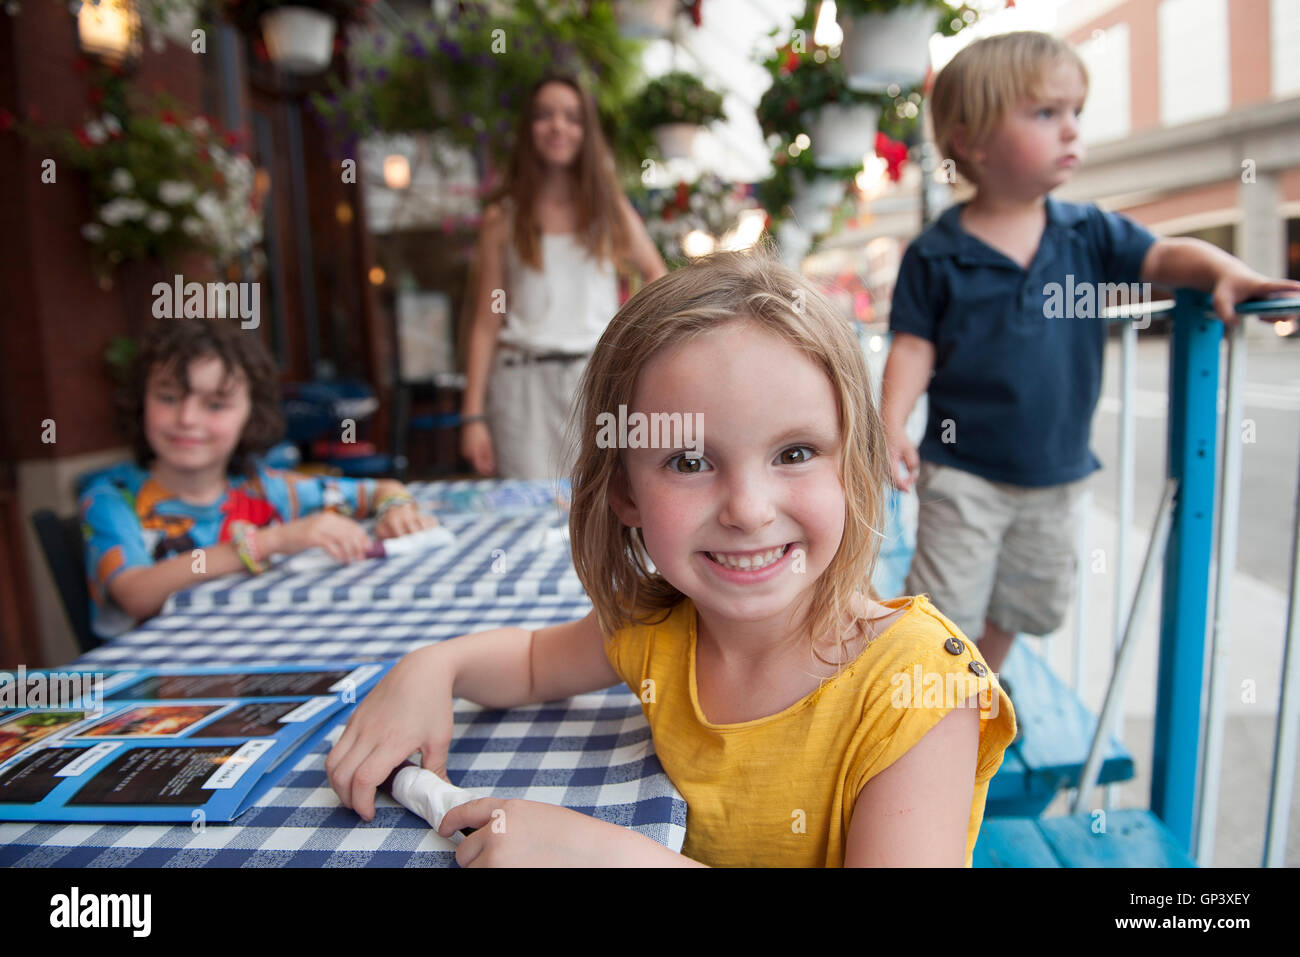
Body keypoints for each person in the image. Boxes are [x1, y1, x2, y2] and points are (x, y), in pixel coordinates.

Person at [327, 249, 1016, 867]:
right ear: (623, 489)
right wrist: (432, 667)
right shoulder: (665, 629)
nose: (748, 507)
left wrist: (603, 855)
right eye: (689, 460)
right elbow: (535, 660)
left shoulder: (922, 690)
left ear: (854, 467)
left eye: (795, 452)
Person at [882, 31, 1300, 674]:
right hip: (961, 471)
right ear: (969, 143)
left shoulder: (1088, 232)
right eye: (1046, 114)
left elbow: (1162, 257)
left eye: (1076, 111)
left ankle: (980, 683)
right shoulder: (936, 253)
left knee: (1029, 601)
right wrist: (890, 425)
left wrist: (1223, 271)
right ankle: (938, 709)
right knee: (942, 607)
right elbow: (913, 344)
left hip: (1057, 473)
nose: (1072, 130)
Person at [80, 318, 438, 639]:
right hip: (157, 692)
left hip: (261, 658)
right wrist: (272, 541)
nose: (187, 418)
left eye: (215, 405)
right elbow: (136, 594)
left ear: (252, 415)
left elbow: (382, 489)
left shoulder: (267, 489)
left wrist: (396, 508)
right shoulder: (112, 499)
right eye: (169, 397)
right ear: (141, 402)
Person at [460, 73, 667, 481]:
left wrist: (631, 340)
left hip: (593, 384)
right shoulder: (503, 217)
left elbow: (657, 275)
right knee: (528, 519)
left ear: (586, 131)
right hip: (521, 389)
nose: (558, 126)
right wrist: (472, 417)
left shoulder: (609, 210)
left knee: (600, 513)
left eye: (572, 117)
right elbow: (487, 324)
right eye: (545, 115)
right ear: (528, 129)